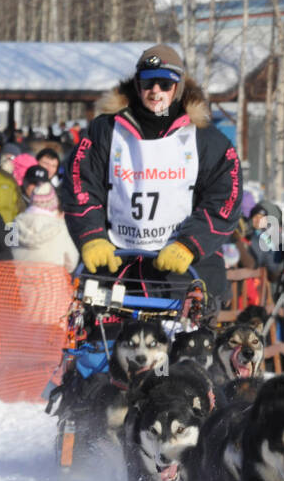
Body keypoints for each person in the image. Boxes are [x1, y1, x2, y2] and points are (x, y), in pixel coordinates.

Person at [60, 44, 241, 308]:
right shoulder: (105, 130)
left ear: (177, 88)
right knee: (98, 345)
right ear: (137, 85)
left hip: (181, 271)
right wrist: (91, 235)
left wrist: (190, 244)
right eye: (148, 82)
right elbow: (79, 183)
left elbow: (225, 199)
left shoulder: (205, 139)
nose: (155, 91)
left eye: (165, 84)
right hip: (116, 265)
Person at [11, 176, 79, 271]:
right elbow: (72, 263)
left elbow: (7, 254)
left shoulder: (13, 223)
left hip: (15, 283)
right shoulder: (59, 227)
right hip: (51, 283)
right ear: (53, 202)